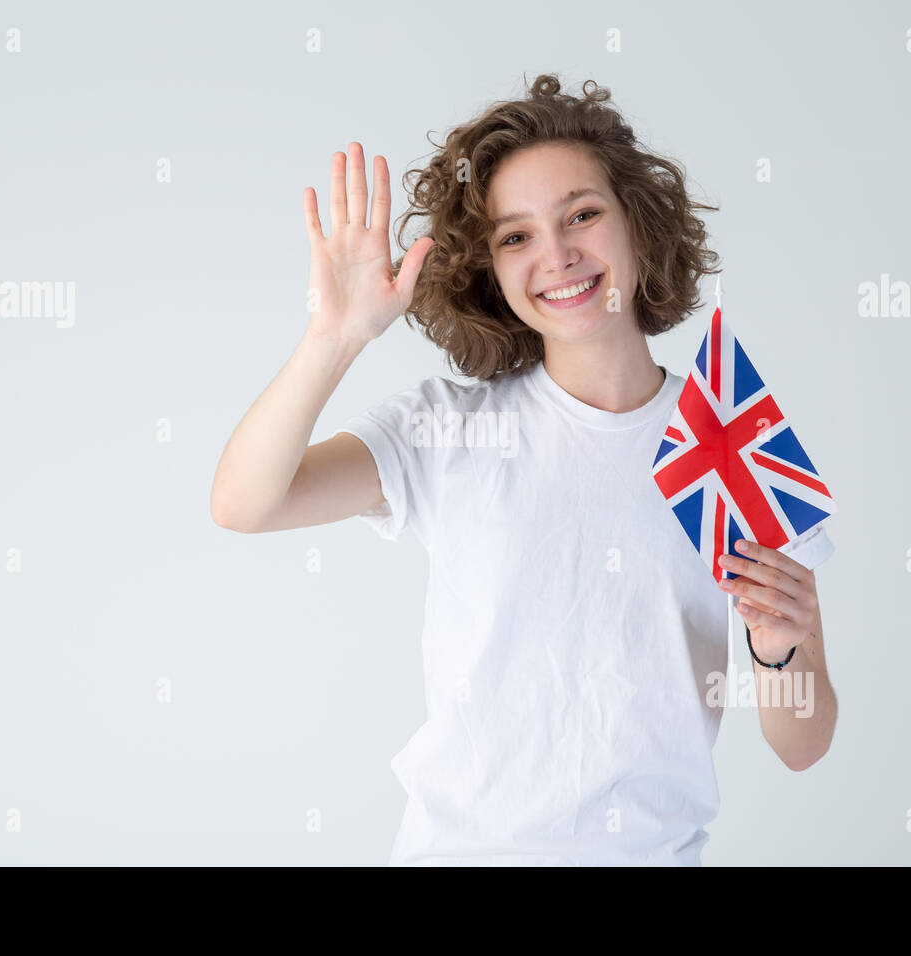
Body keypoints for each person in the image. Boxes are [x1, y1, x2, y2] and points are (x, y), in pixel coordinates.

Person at [210, 73, 837, 865]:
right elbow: (244, 502)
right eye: (516, 237)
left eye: (582, 214)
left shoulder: (734, 442)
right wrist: (334, 337)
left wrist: (778, 651)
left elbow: (804, 742)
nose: (558, 255)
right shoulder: (446, 429)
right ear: (492, 274)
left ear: (638, 226)